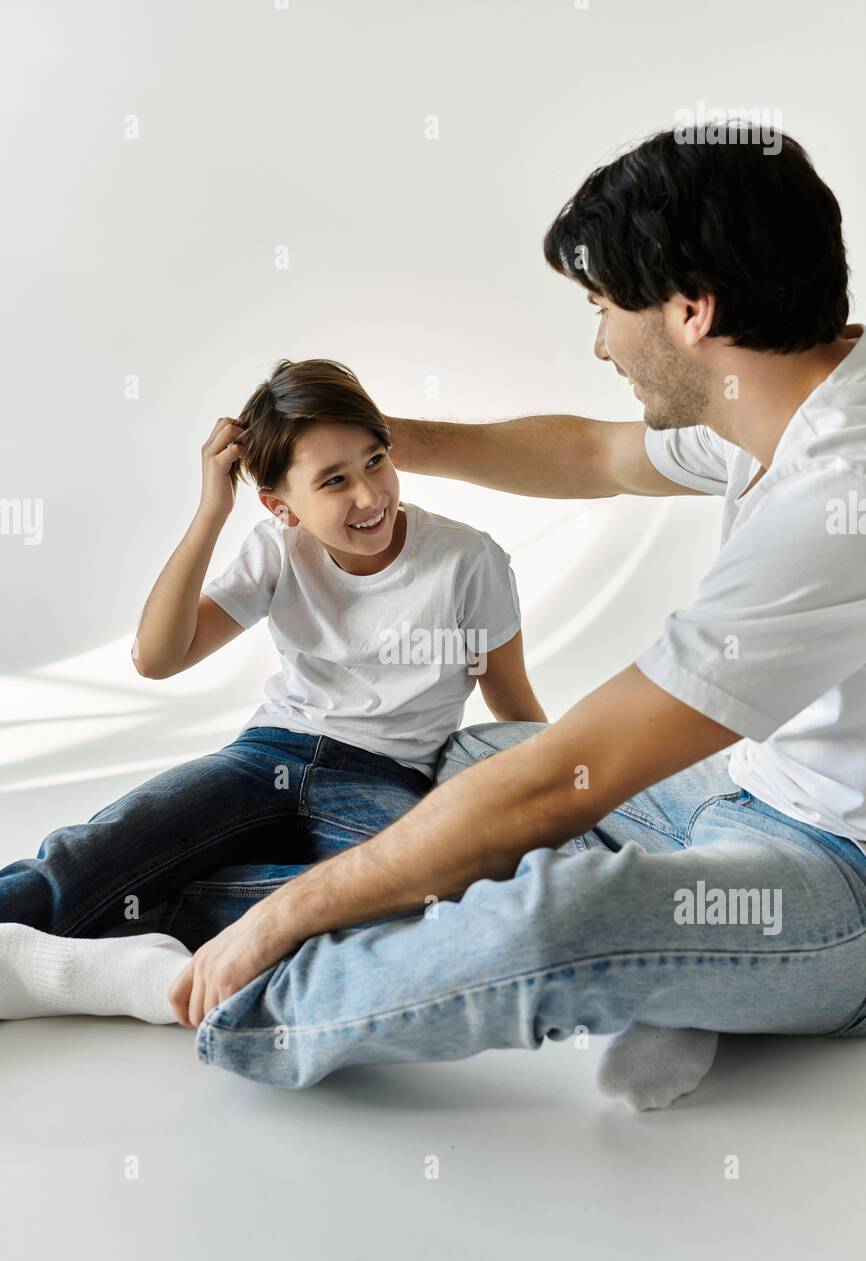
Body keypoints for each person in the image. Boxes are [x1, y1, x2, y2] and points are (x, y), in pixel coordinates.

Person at [149, 122, 866, 1110]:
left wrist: (293, 912)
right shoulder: (781, 394)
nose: (597, 339)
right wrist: (366, 441)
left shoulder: (841, 491)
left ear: (691, 310)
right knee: (471, 759)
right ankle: (693, 970)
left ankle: (190, 986)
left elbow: (557, 793)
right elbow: (586, 456)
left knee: (555, 914)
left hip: (840, 871)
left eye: (603, 305)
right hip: (743, 789)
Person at [0, 358, 546, 1027]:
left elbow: (515, 706)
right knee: (91, 853)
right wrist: (210, 511)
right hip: (267, 757)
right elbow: (157, 658)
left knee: (429, 903)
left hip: (386, 778)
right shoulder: (277, 548)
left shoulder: (469, 560)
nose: (370, 496)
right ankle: (86, 912)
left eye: (376, 461)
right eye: (334, 481)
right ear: (281, 505)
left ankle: (164, 909)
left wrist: (558, 807)